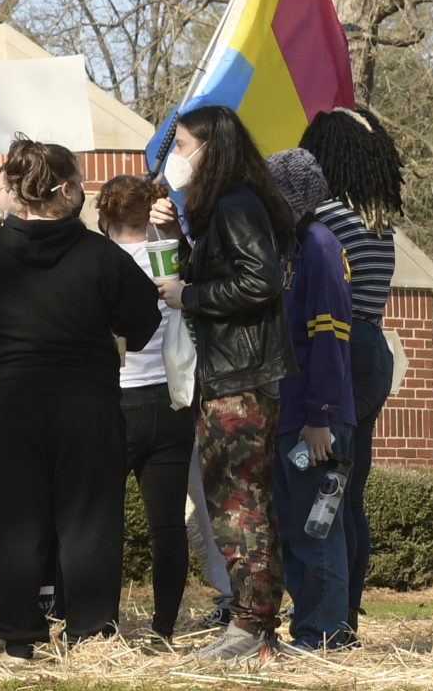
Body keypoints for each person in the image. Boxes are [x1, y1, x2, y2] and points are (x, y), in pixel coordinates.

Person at [0, 139, 158, 655]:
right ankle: (89, 627)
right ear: (65, 189)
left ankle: (18, 632)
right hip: (87, 400)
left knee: (15, 519)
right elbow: (144, 320)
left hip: (14, 400)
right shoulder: (100, 253)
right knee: (89, 518)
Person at [154, 103, 294, 662]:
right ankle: (254, 624)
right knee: (242, 502)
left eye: (182, 145)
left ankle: (251, 626)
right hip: (233, 373)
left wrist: (188, 295)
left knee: (239, 505)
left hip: (239, 378)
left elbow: (257, 282)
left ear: (211, 148)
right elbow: (227, 271)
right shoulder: (225, 207)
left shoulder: (236, 203)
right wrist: (178, 240)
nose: (176, 158)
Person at [298, 106, 402, 637]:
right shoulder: (378, 221)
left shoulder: (326, 220)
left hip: (338, 348)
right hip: (372, 348)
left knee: (321, 491)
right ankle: (347, 615)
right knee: (346, 493)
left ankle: (326, 620)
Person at [93, 172, 201, 644]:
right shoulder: (173, 257)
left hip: (117, 399)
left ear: (105, 217)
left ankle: (104, 621)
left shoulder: (102, 261)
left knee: (102, 521)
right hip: (173, 397)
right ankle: (165, 626)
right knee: (167, 526)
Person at [264, 149, 354, 650]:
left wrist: (319, 416)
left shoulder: (319, 247)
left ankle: (323, 634)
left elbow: (330, 337)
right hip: (289, 413)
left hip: (315, 420)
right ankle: (307, 627)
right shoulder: (289, 247)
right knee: (296, 530)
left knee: (318, 532)